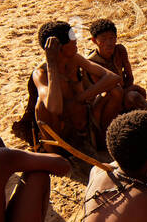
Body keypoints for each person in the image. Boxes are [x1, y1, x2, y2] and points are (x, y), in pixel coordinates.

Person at [15, 20, 121, 151]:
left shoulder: (75, 59)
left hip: (85, 124)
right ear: (60, 47)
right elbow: (55, 108)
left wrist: (79, 98)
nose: (75, 40)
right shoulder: (41, 73)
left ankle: (104, 144)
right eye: (71, 38)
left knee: (115, 91)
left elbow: (112, 77)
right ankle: (63, 156)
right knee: (41, 106)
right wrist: (52, 64)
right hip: (62, 134)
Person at [86, 18, 147, 119]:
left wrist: (129, 89)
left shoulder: (120, 51)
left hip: (123, 94)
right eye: (103, 39)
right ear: (94, 40)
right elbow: (105, 92)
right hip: (106, 102)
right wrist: (129, 90)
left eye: (112, 38)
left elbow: (129, 77)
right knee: (133, 95)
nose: (109, 43)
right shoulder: (92, 62)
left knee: (138, 94)